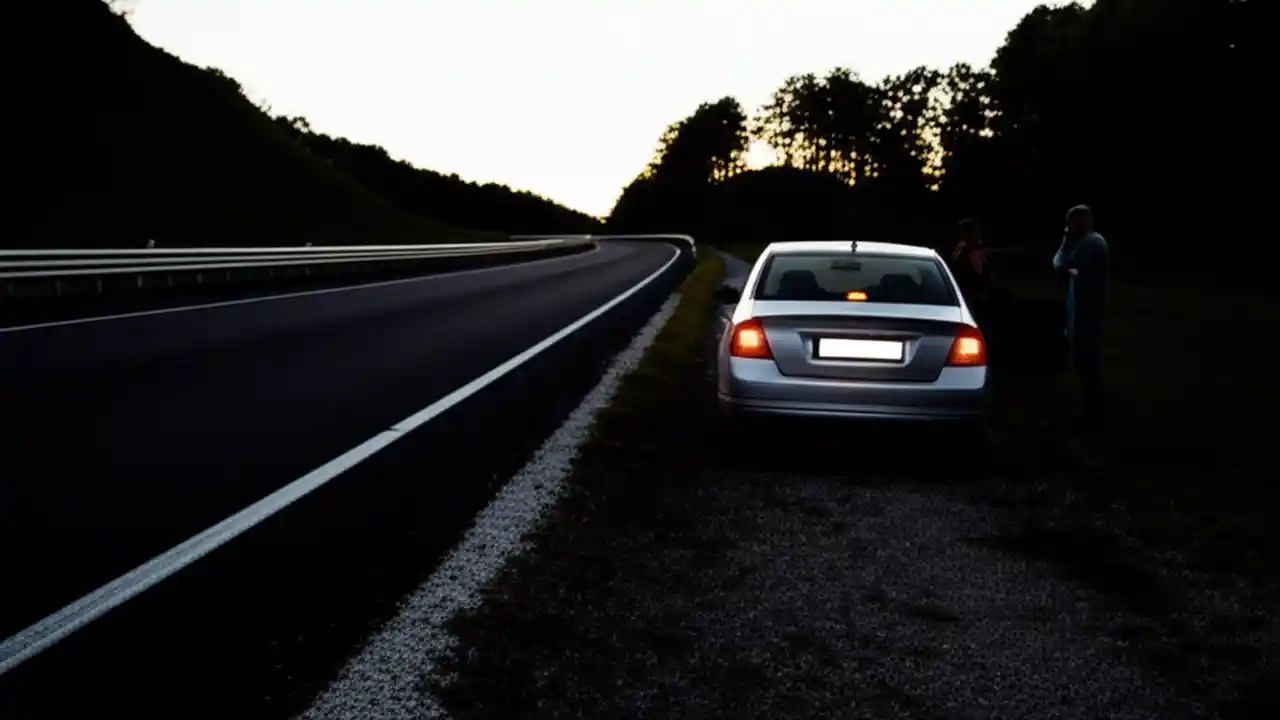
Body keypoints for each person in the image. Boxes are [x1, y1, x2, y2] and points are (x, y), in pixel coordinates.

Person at [1052, 204, 1109, 427]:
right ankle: (1087, 407)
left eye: (1071, 223)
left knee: (1089, 363)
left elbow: (1064, 263)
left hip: (1090, 312)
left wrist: (1070, 265)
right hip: (1078, 312)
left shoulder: (1093, 243)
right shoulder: (1081, 243)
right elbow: (1059, 264)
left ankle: (1092, 411)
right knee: (1081, 362)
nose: (1068, 228)